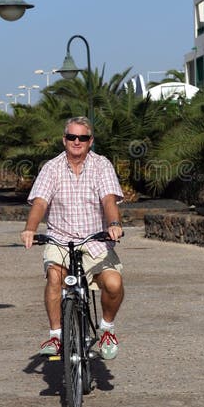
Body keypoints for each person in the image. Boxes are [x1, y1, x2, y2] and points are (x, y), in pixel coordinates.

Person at [21, 116, 125, 360]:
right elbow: (40, 202)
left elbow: (108, 199)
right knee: (54, 277)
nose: (77, 142)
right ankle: (56, 335)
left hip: (95, 241)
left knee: (114, 284)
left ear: (90, 141)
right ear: (64, 139)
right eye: (71, 137)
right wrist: (30, 228)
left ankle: (107, 329)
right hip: (60, 239)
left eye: (82, 138)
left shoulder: (101, 165)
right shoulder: (52, 168)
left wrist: (114, 224)